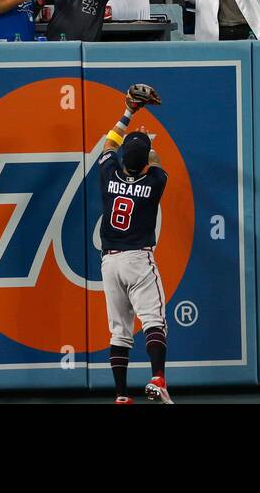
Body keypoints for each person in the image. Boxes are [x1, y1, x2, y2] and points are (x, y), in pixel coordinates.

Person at [93, 83, 174, 404]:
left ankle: (122, 395)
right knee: (153, 320)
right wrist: (146, 146)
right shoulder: (156, 180)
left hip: (109, 262)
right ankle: (158, 378)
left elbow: (109, 146)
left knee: (119, 332)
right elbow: (153, 160)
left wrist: (128, 112)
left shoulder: (108, 173)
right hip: (138, 260)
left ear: (124, 158)